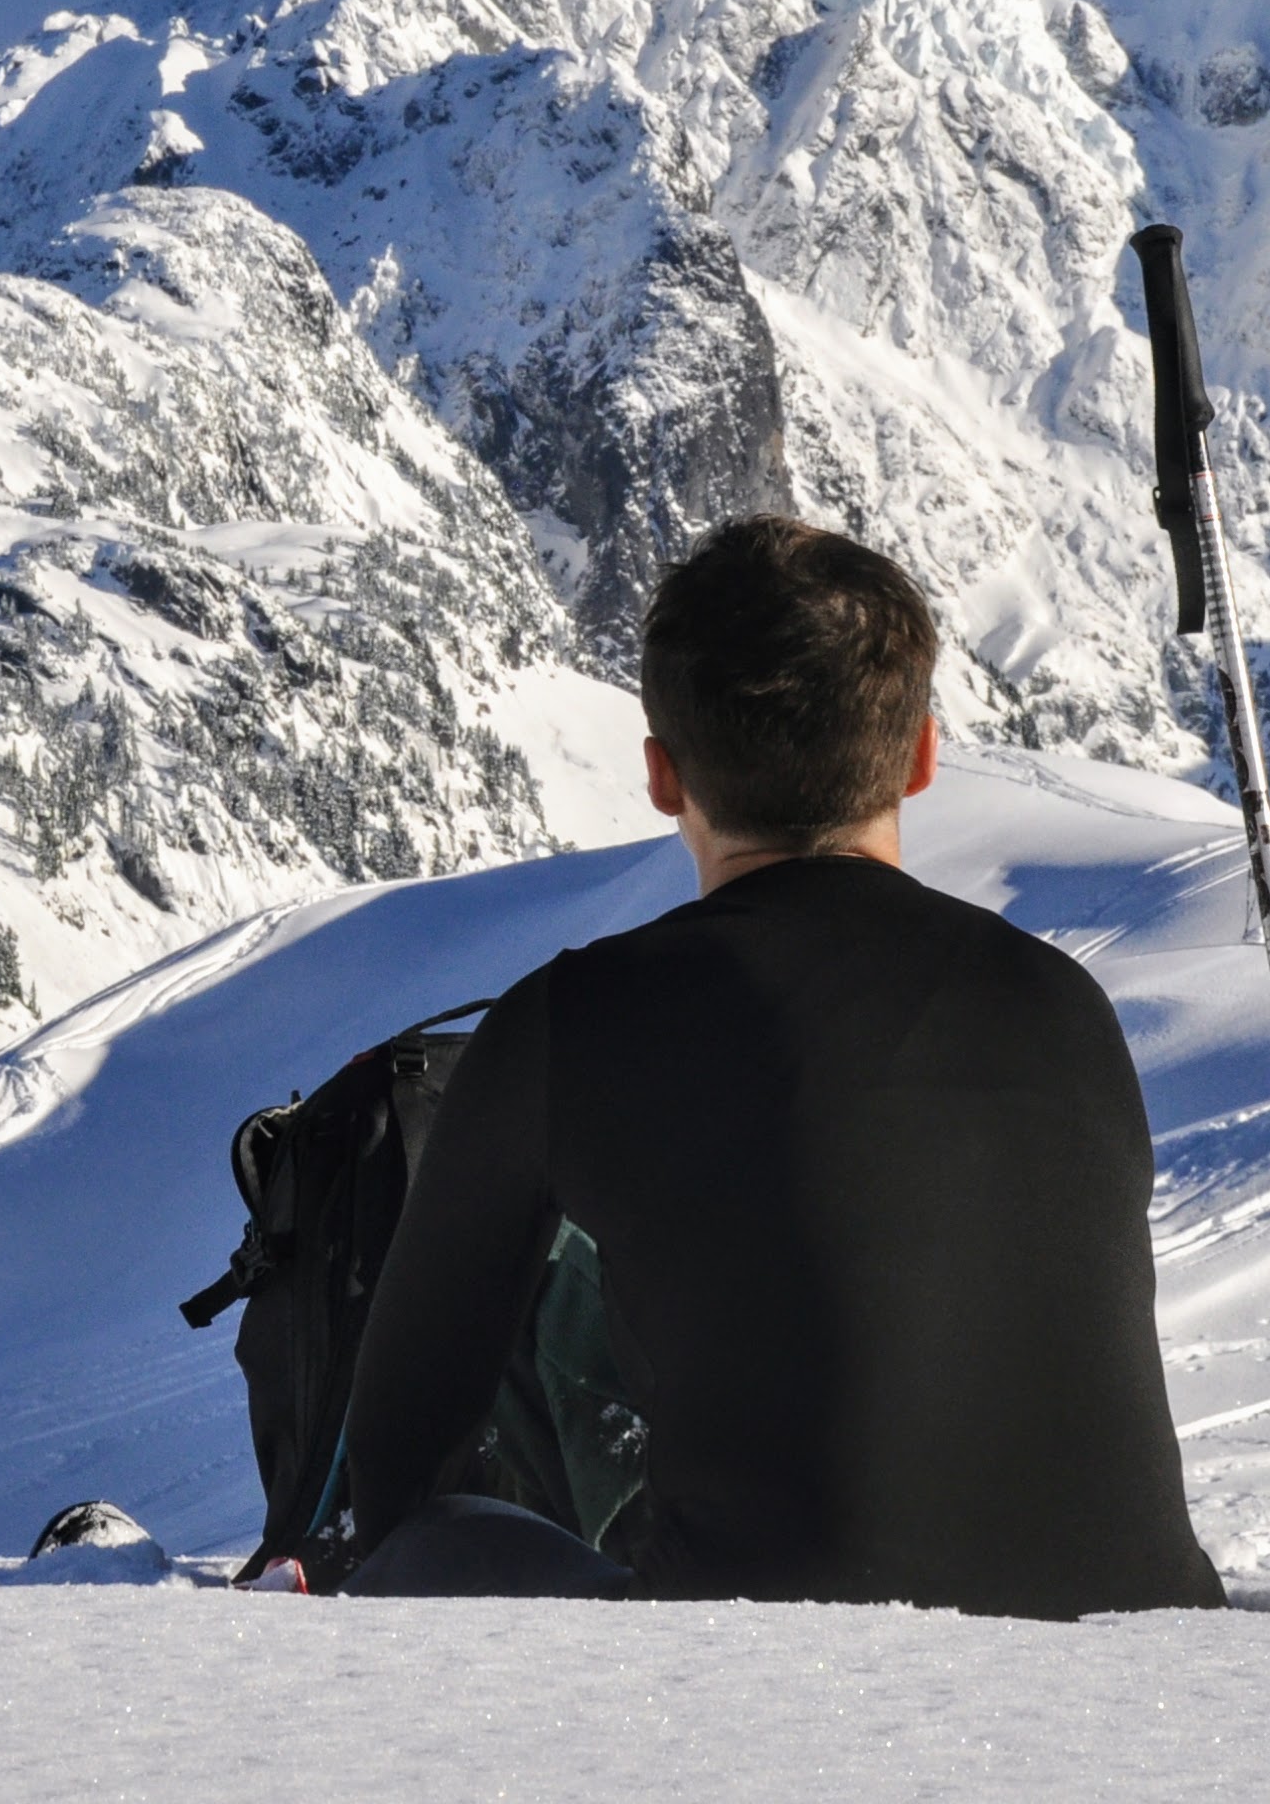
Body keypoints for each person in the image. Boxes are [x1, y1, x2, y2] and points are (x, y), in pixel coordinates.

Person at [332, 517, 1225, 1614]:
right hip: (1148, 1644)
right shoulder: (1063, 1002)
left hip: (766, 1665)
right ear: (922, 755)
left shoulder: (577, 1018)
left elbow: (394, 1465)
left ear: (662, 776)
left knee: (420, 1545)